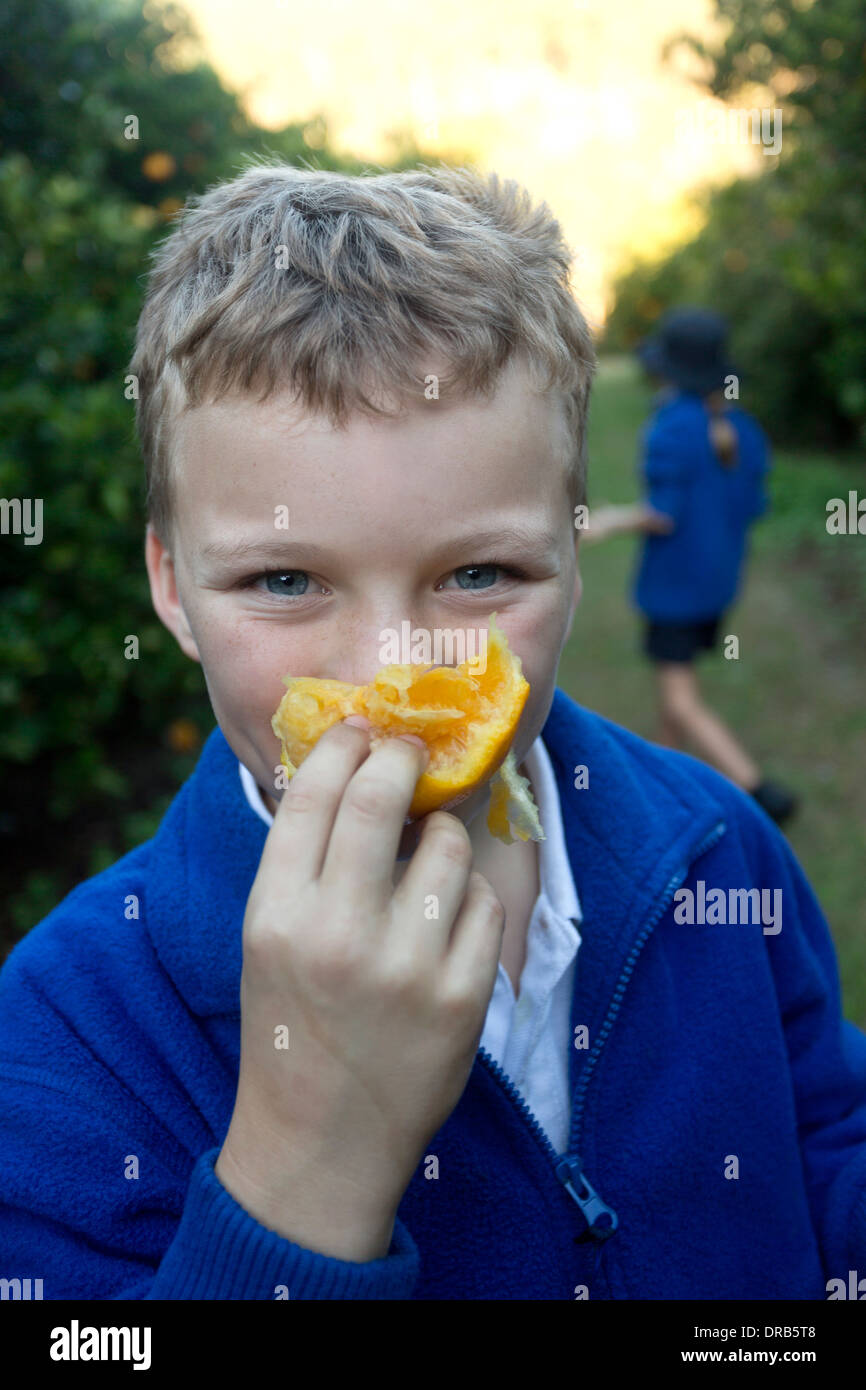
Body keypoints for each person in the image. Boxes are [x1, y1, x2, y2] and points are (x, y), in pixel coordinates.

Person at [0, 163, 864, 1300]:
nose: (390, 672)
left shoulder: (719, 854)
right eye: (284, 579)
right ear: (171, 585)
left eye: (475, 572)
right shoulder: (72, 1028)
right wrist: (307, 1169)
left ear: (570, 553)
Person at [585, 307, 798, 825]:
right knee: (672, 689)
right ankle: (658, 782)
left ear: (667, 370)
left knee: (681, 701)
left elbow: (663, 514)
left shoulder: (671, 428)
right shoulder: (746, 431)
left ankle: (760, 791)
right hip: (719, 586)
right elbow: (752, 507)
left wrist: (607, 521)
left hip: (676, 591)